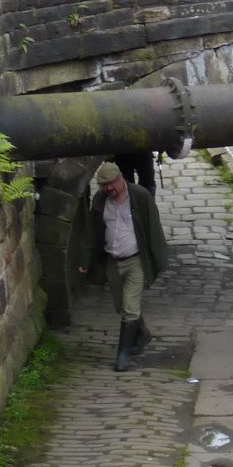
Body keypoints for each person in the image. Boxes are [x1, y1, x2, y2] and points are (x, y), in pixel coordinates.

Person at [77, 158, 170, 370]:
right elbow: (92, 230)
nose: (109, 188)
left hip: (136, 260)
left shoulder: (140, 196)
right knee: (123, 306)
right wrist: (84, 259)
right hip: (113, 261)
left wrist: (158, 259)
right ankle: (142, 334)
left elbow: (153, 228)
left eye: (111, 183)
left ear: (120, 178)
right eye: (104, 185)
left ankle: (122, 357)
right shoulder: (100, 200)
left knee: (129, 307)